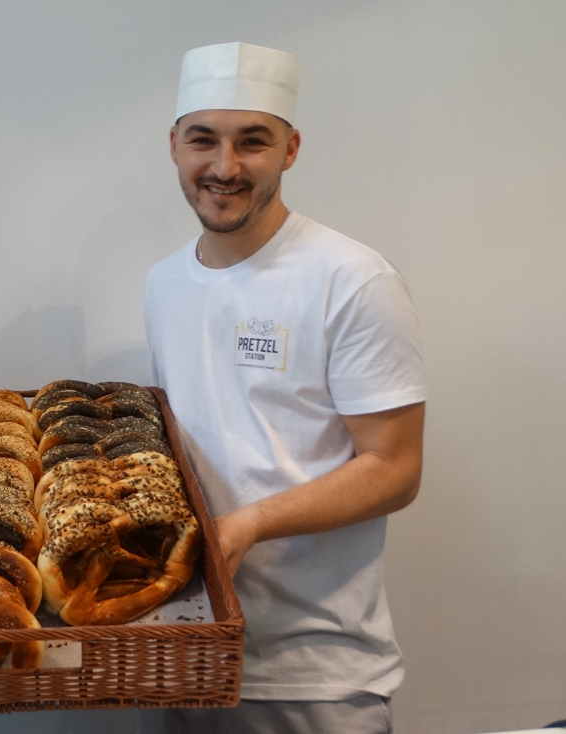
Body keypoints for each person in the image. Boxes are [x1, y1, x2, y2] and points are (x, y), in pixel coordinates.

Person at [141, 43, 426, 733]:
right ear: (173, 145)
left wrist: (252, 523)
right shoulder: (164, 284)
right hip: (188, 651)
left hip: (317, 667)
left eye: (253, 142)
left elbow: (394, 469)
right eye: (203, 139)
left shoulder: (350, 278)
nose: (224, 167)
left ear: (291, 148)